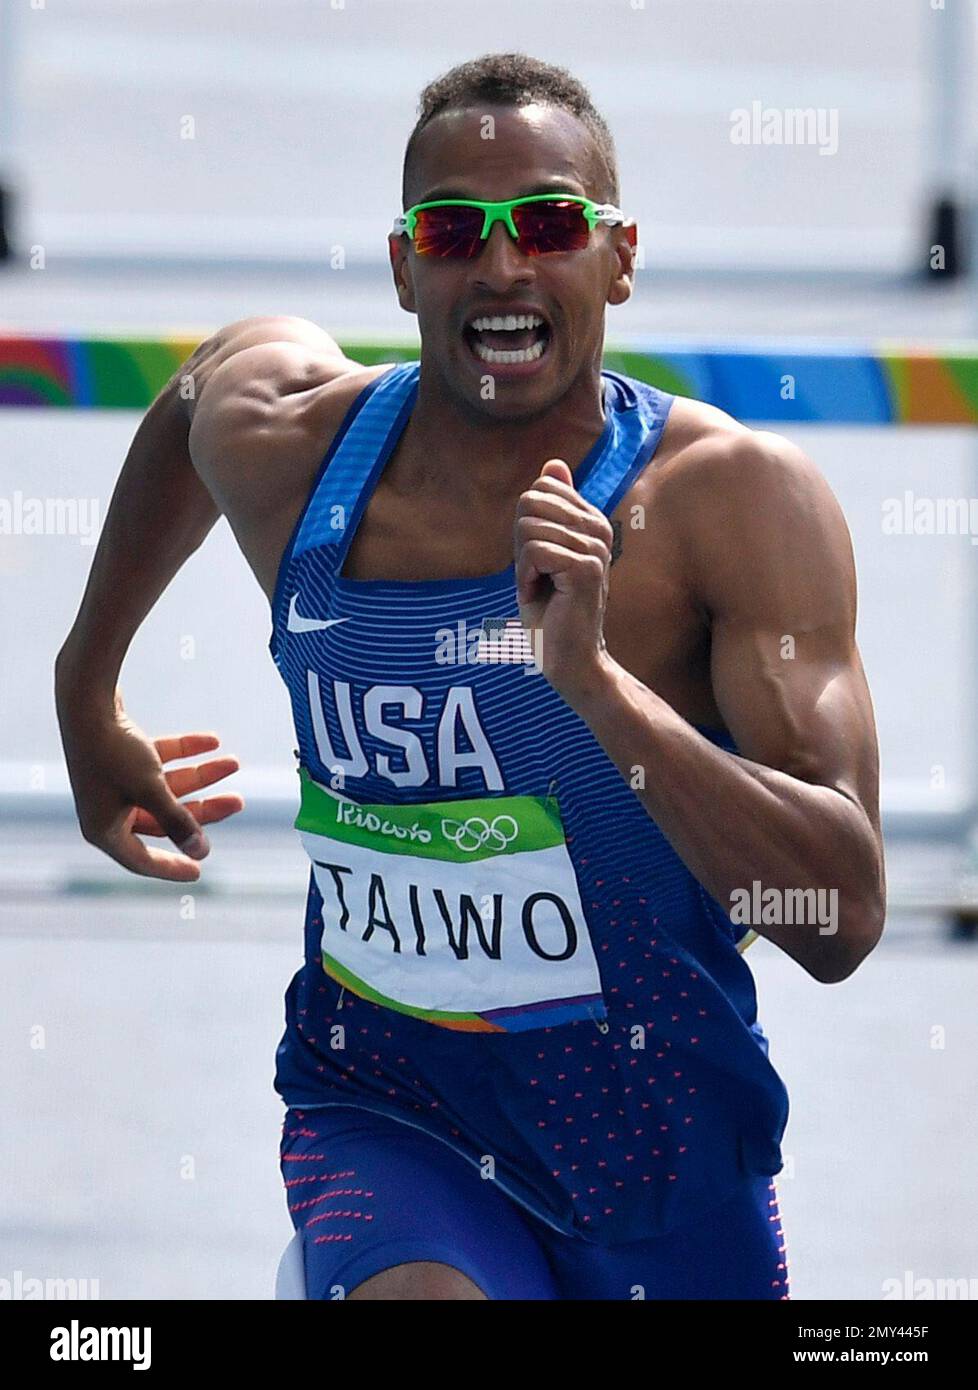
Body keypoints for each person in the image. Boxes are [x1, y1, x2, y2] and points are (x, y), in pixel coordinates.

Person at [55, 52, 885, 1301]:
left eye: (548, 223)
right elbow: (193, 393)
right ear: (403, 268)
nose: (502, 267)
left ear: (620, 256)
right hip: (387, 1114)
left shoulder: (732, 505)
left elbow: (842, 918)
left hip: (659, 1152)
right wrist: (86, 689)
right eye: (455, 230)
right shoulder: (294, 449)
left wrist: (599, 690)